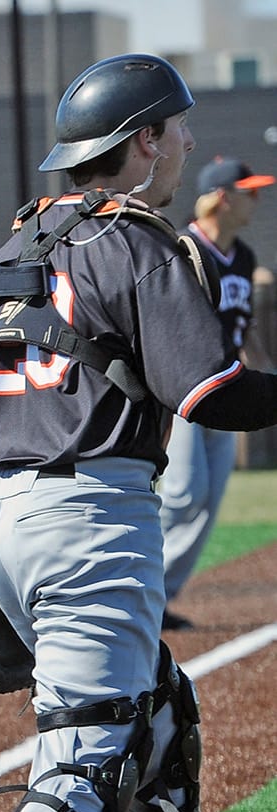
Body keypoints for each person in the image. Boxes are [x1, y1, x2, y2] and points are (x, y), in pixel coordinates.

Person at [0, 53, 277, 812]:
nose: (188, 145)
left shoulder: (14, 254)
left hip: (6, 517)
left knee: (159, 712)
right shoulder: (142, 247)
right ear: (141, 144)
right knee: (93, 744)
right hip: (90, 513)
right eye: (177, 128)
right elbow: (212, 394)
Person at [160, 156, 276, 629]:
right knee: (185, 494)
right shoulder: (183, 248)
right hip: (188, 391)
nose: (257, 198)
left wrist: (263, 367)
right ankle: (130, 583)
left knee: (207, 502)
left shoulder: (243, 257)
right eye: (249, 191)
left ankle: (157, 597)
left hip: (226, 390)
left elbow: (242, 325)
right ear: (223, 198)